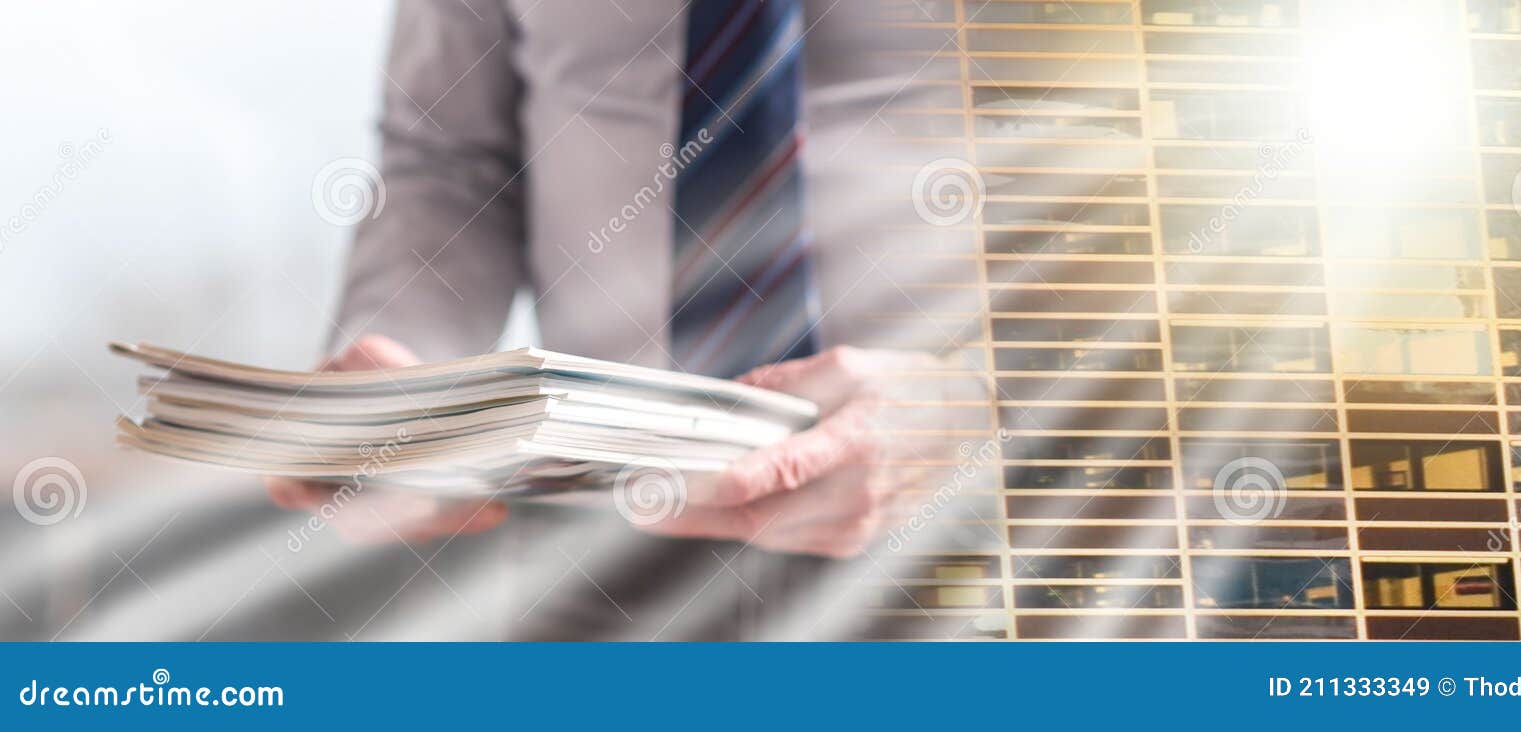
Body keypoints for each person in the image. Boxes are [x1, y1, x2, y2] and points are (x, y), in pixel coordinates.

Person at [266, 0, 984, 639]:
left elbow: (1093, 164)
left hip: (965, 543)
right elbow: (451, 157)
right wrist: (405, 370)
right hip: (599, 538)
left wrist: (979, 399)